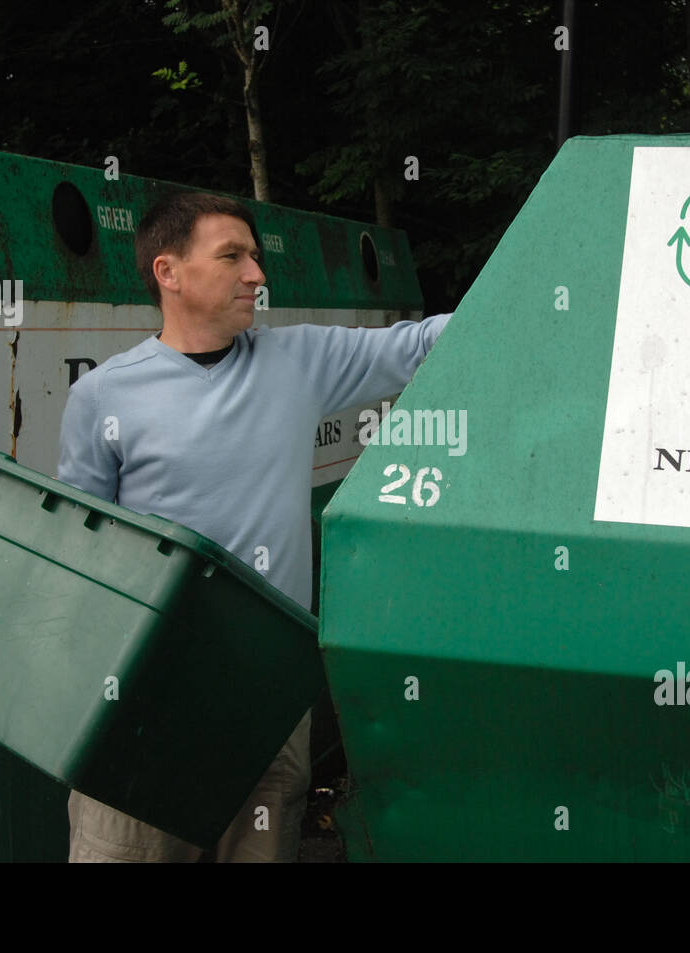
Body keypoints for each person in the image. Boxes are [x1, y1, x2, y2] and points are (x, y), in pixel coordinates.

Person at [56, 191, 451, 861]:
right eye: (232, 256)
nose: (256, 275)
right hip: (149, 701)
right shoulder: (103, 395)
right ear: (168, 272)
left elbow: (415, 347)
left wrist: (537, 292)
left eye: (257, 258)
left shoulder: (295, 362)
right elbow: (78, 550)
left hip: (266, 697)